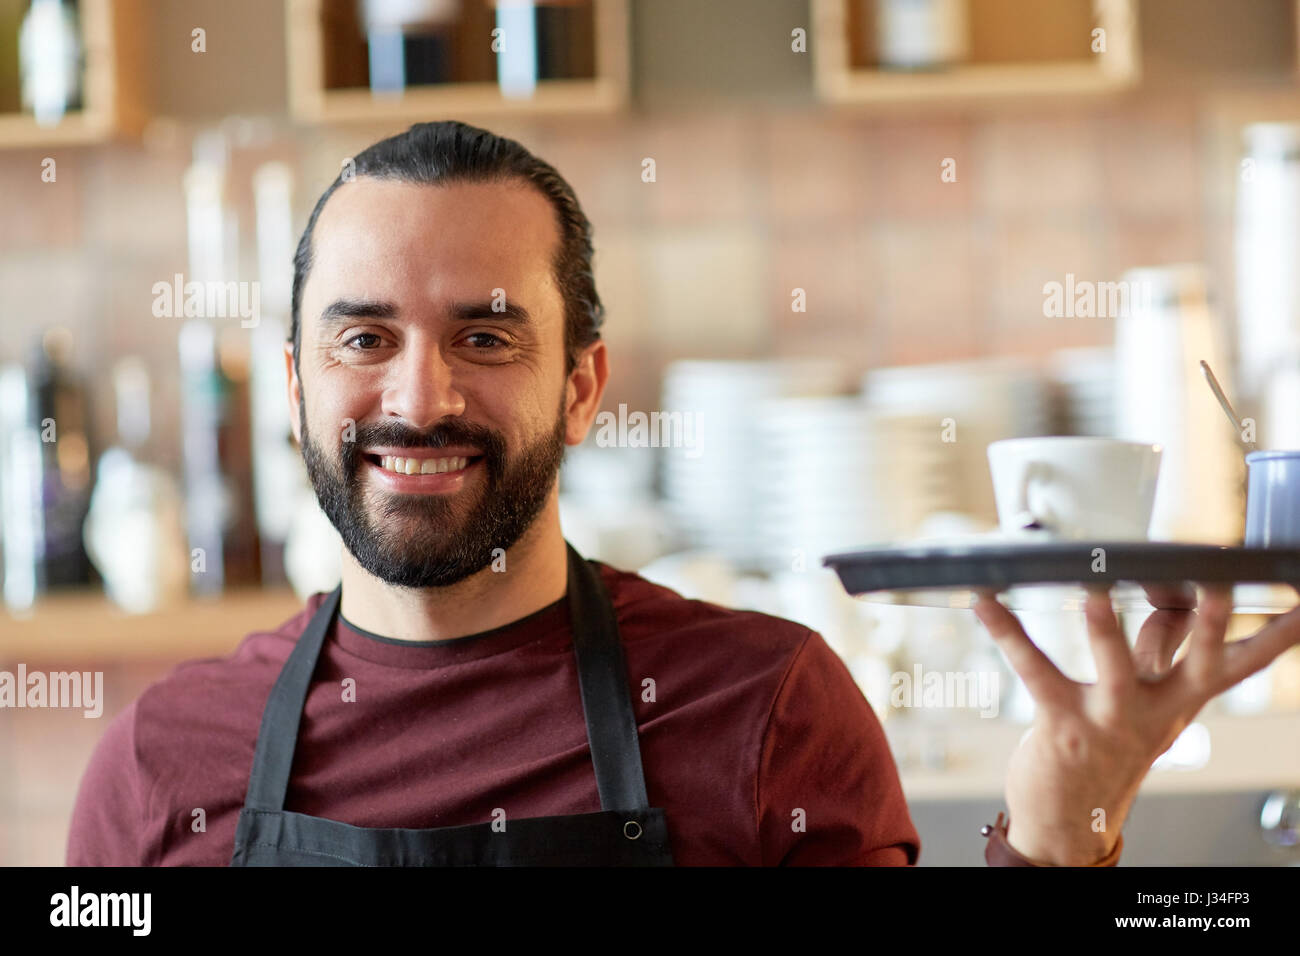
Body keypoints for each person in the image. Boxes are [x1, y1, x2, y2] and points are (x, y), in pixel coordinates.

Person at [66, 121, 1300, 867]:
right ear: (293, 383)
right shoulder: (159, 766)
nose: (420, 395)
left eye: (487, 338)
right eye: (362, 338)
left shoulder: (763, 710)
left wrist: (1060, 825)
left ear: (583, 383)